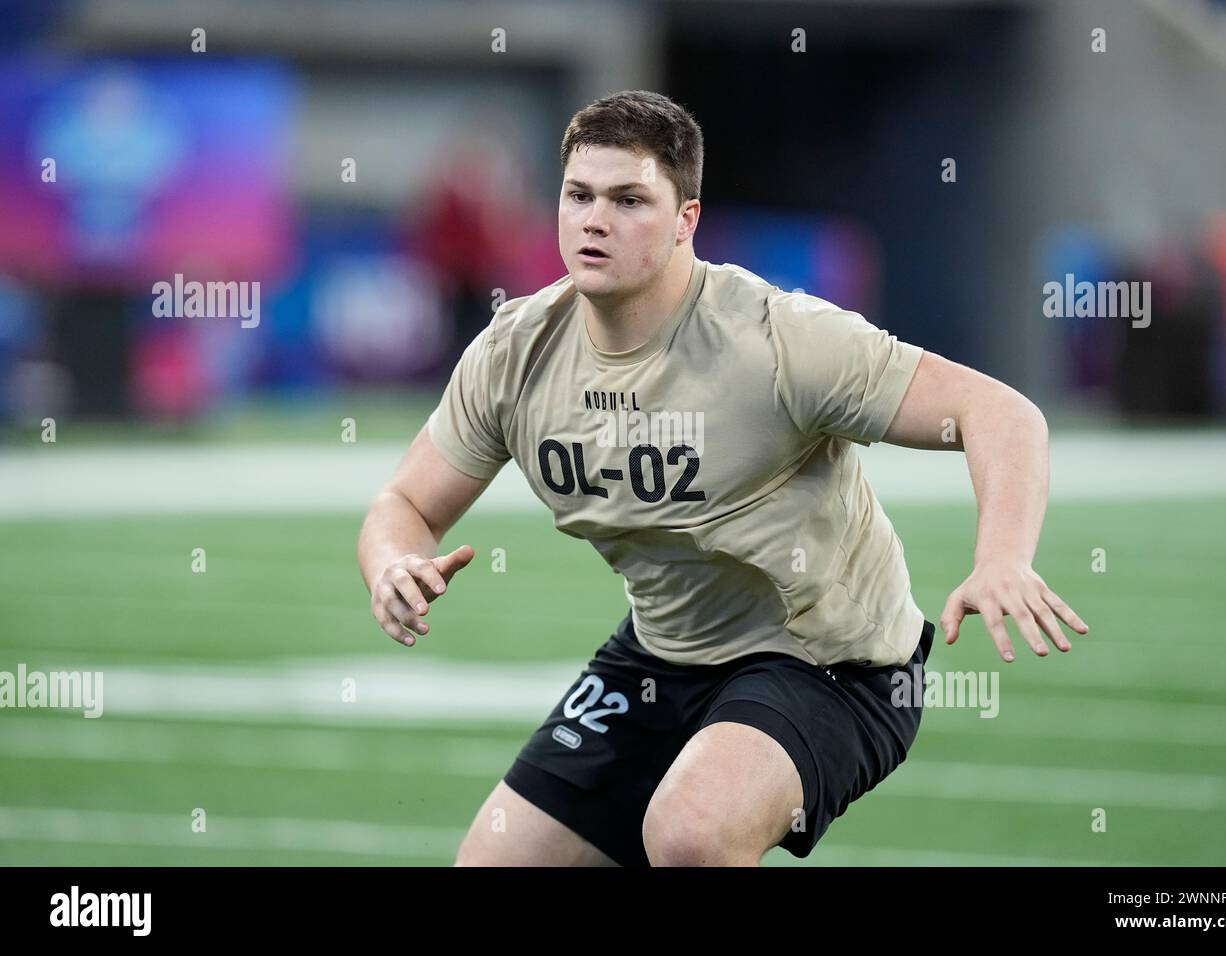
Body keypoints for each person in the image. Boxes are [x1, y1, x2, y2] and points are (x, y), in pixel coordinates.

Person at [357, 90, 1088, 867]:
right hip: (662, 654)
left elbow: (1001, 415)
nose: (595, 220)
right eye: (579, 196)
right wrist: (393, 563)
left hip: (830, 660)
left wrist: (1002, 558)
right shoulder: (517, 352)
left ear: (686, 221)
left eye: (629, 199)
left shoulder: (776, 339)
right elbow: (403, 502)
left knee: (691, 833)